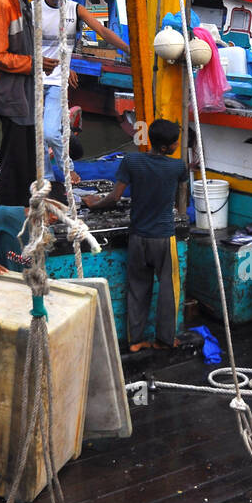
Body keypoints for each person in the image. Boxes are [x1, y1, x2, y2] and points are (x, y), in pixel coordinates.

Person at [84, 119, 189, 352]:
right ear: (165, 148)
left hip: (138, 237)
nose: (177, 145)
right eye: (175, 142)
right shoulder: (178, 166)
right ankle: (165, 339)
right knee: (168, 291)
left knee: (137, 288)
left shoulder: (132, 160)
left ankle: (136, 341)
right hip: (163, 238)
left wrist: (93, 205)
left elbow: (114, 197)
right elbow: (183, 195)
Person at [0, 0, 62, 207]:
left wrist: (37, 64)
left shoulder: (23, 3)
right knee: (15, 159)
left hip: (24, 92)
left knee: (27, 157)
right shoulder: (1, 4)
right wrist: (33, 63)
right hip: (10, 93)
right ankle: (6, 211)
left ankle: (24, 207)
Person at [40, 0, 131, 186]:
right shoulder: (34, 9)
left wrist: (130, 50)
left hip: (56, 82)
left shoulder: (75, 9)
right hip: (31, 79)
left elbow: (103, 31)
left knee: (51, 132)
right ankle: (45, 177)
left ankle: (67, 168)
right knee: (37, 136)